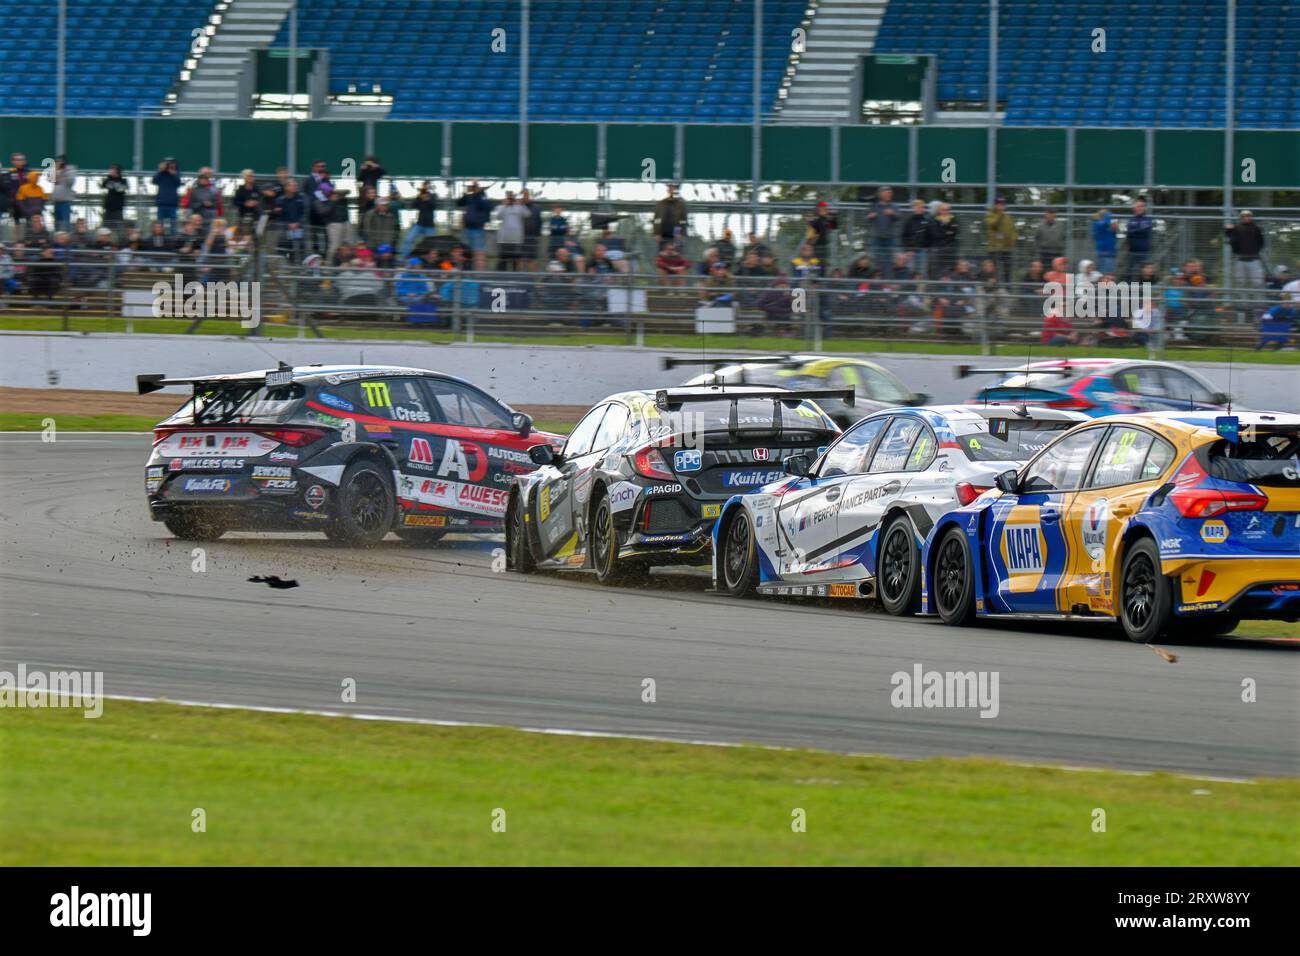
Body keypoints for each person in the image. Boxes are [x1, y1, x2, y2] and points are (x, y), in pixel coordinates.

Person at [456, 180, 493, 270]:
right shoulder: (470, 197)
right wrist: (465, 193)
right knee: (463, 253)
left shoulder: (483, 197)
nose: (474, 188)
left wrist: (478, 193)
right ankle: (464, 274)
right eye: (474, 187)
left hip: (478, 230)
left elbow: (484, 206)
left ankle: (480, 277)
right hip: (466, 229)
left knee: (479, 254)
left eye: (476, 186)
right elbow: (459, 203)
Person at [1225, 210, 1266, 289]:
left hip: (1254, 259)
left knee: (1258, 282)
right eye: (1244, 216)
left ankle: (1258, 301)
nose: (1246, 218)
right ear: (1241, 217)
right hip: (1240, 259)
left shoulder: (1256, 228)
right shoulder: (1236, 228)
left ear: (1251, 217)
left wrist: (1255, 250)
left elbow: (1261, 242)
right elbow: (1231, 240)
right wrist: (1228, 230)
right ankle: (1242, 301)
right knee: (1240, 283)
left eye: (1248, 216)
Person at [983, 195, 1017, 284]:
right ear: (995, 204)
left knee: (1007, 272)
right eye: (998, 203)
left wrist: (1013, 239)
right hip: (994, 249)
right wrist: (1000, 215)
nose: (1001, 205)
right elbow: (992, 224)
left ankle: (1007, 293)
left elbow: (1013, 229)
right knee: (994, 273)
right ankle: (993, 292)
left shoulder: (1008, 217)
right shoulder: (990, 214)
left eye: (1002, 203)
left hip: (1006, 249)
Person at [494, 190, 529, 271]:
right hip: (504, 239)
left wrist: (522, 204)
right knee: (503, 260)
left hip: (516, 239)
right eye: (508, 196)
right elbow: (498, 217)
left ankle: (515, 279)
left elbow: (527, 214)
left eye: (511, 196)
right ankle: (500, 279)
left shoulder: (519, 206)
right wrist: (504, 205)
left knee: (515, 261)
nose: (510, 198)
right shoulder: (501, 206)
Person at [901, 198, 932, 281]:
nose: (919, 208)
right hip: (911, 252)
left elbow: (930, 236)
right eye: (917, 207)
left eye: (921, 207)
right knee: (911, 272)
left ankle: (920, 293)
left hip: (923, 251)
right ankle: (910, 292)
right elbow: (904, 236)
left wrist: (927, 247)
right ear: (914, 208)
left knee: (922, 273)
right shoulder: (908, 220)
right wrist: (908, 250)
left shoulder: (927, 220)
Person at [926, 202, 959, 278]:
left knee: (949, 272)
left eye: (947, 210)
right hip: (938, 250)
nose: (945, 211)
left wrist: (944, 231)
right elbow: (935, 234)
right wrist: (947, 231)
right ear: (939, 211)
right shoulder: (934, 220)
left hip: (950, 250)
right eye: (943, 210)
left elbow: (955, 232)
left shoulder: (953, 219)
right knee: (937, 271)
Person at [1123, 198, 1154, 279]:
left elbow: (1145, 230)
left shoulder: (1148, 219)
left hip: (1144, 253)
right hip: (1132, 252)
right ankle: (1130, 291)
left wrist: (1135, 231)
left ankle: (1144, 291)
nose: (1139, 208)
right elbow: (1129, 231)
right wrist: (1138, 230)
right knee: (1129, 273)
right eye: (1138, 206)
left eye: (1142, 206)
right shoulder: (1130, 220)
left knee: (1144, 275)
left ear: (1145, 208)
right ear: (1134, 208)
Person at [863, 188, 894, 266]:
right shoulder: (874, 206)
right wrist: (870, 216)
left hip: (889, 238)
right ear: (881, 194)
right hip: (876, 238)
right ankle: (876, 276)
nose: (889, 195)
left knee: (888, 261)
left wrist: (892, 214)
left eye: (890, 193)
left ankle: (887, 276)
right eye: (887, 193)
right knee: (875, 260)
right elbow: (866, 218)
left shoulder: (893, 206)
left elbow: (899, 217)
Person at [152, 158, 181, 231]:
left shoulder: (176, 173)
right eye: (168, 163)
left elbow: (178, 183)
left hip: (172, 203)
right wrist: (160, 171)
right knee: (159, 225)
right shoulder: (161, 173)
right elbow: (154, 181)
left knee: (173, 225)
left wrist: (174, 174)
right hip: (162, 202)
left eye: (172, 163)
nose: (170, 165)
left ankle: (173, 240)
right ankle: (160, 240)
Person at [49, 156, 77, 231]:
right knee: (57, 223)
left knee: (65, 223)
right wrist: (56, 170)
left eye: (60, 162)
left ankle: (66, 239)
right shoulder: (55, 170)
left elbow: (71, 182)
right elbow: (50, 179)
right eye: (57, 162)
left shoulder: (70, 170)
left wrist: (64, 171)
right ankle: (57, 239)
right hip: (56, 202)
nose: (58, 163)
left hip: (65, 202)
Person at [101, 164, 128, 235]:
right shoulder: (108, 179)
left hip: (117, 210)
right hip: (108, 210)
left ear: (117, 171)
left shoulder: (123, 181)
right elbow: (103, 185)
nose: (110, 171)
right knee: (105, 231)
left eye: (112, 169)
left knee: (119, 232)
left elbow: (121, 189)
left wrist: (113, 185)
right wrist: (110, 178)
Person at [1091, 208, 1118, 275]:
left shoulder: (1106, 228)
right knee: (1105, 276)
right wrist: (1108, 214)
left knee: (1110, 276)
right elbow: (1105, 223)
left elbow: (1111, 237)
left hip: (1111, 254)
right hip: (1104, 254)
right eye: (1109, 217)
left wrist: (1114, 229)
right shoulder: (1097, 224)